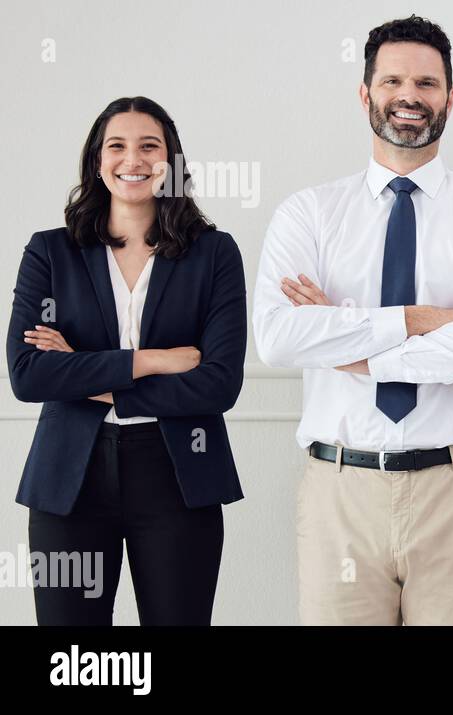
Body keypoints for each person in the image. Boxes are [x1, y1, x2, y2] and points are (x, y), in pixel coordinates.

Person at [252, 16, 453, 625]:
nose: (410, 96)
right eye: (393, 81)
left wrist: (346, 338)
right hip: (340, 489)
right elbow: (278, 338)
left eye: (428, 83)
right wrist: (423, 319)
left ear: (450, 99)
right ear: (366, 94)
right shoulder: (308, 213)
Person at [7, 96, 246, 625]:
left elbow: (219, 385)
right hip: (70, 477)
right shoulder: (50, 252)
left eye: (149, 146)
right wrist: (154, 360)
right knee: (74, 660)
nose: (132, 159)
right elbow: (29, 374)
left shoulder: (214, 254)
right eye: (116, 145)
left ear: (171, 161)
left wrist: (84, 370)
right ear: (97, 160)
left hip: (178, 474)